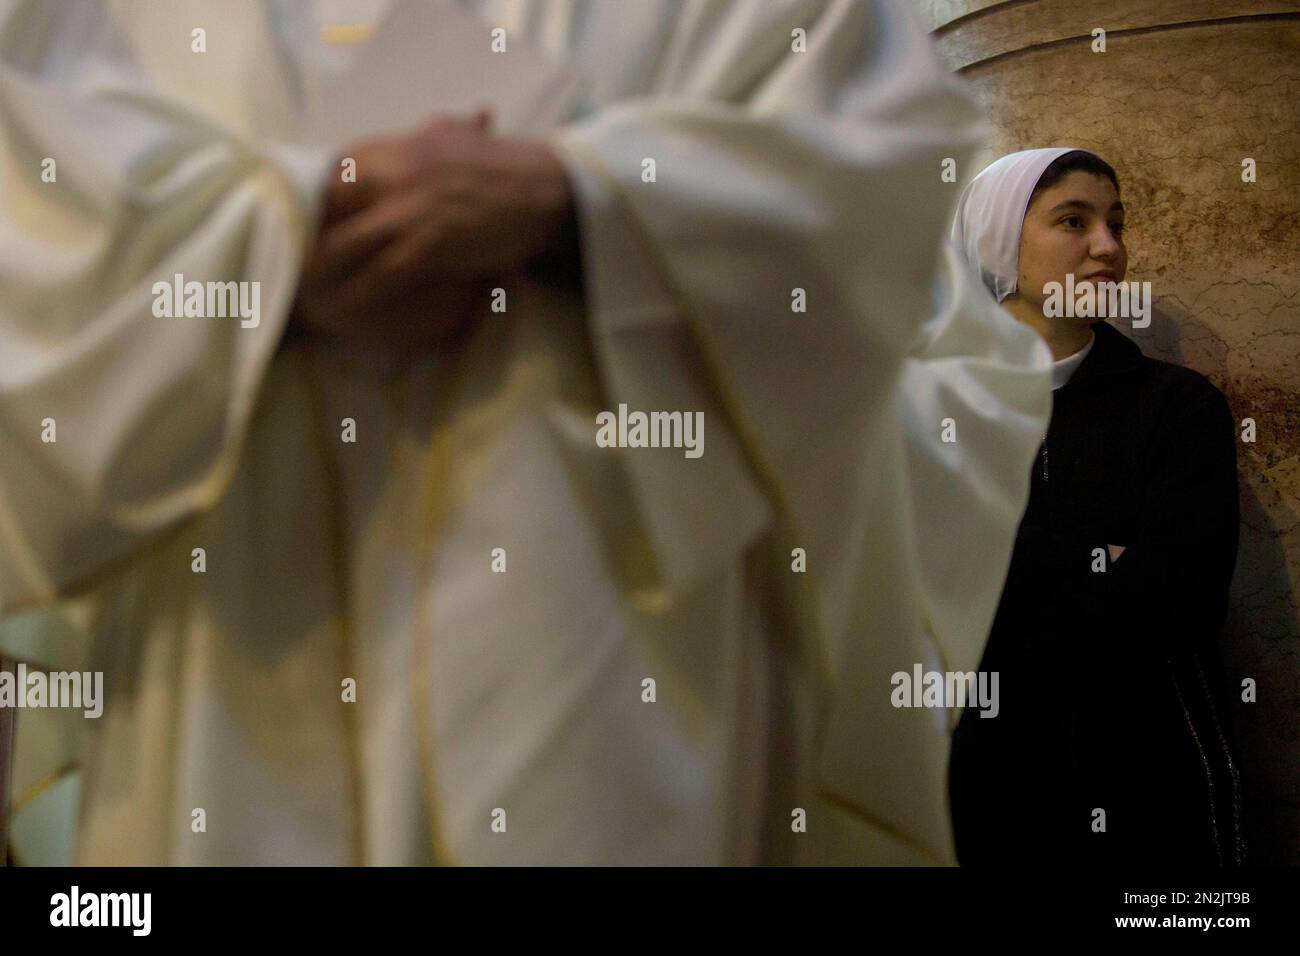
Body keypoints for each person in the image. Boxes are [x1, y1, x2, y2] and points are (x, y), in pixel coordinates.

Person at [0, 0, 1052, 864]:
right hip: (230, 615)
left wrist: (582, 199)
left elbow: (876, 169)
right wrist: (270, 247)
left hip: (608, 617)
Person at [947, 148, 1245, 866]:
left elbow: (1183, 597)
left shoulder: (1175, 406)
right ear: (997, 242)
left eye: (1115, 222)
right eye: (1073, 221)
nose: (1108, 248)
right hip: (977, 770)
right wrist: (1103, 557)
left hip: (1142, 757)